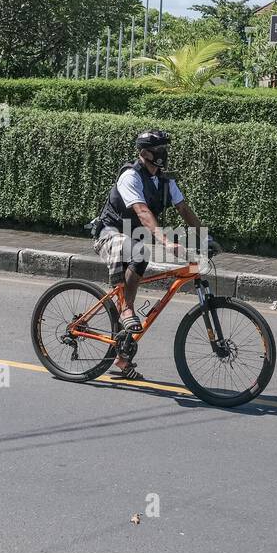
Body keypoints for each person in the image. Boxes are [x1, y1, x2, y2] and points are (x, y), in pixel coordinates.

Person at [91, 130, 212, 379]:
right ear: (145, 153)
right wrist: (167, 242)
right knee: (138, 251)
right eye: (159, 150)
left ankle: (121, 356)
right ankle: (126, 308)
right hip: (110, 234)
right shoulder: (130, 177)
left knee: (138, 251)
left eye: (165, 149)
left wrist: (205, 237)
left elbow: (184, 209)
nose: (164, 154)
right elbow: (142, 211)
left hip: (134, 237)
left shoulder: (166, 182)